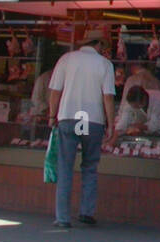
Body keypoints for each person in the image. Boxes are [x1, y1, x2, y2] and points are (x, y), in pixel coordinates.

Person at [48, 28, 116, 228]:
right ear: (99, 44)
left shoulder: (66, 59)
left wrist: (52, 115)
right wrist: (111, 124)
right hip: (91, 118)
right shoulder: (105, 64)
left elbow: (54, 91)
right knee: (89, 166)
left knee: (65, 166)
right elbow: (108, 97)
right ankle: (86, 212)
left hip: (69, 115)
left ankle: (62, 217)